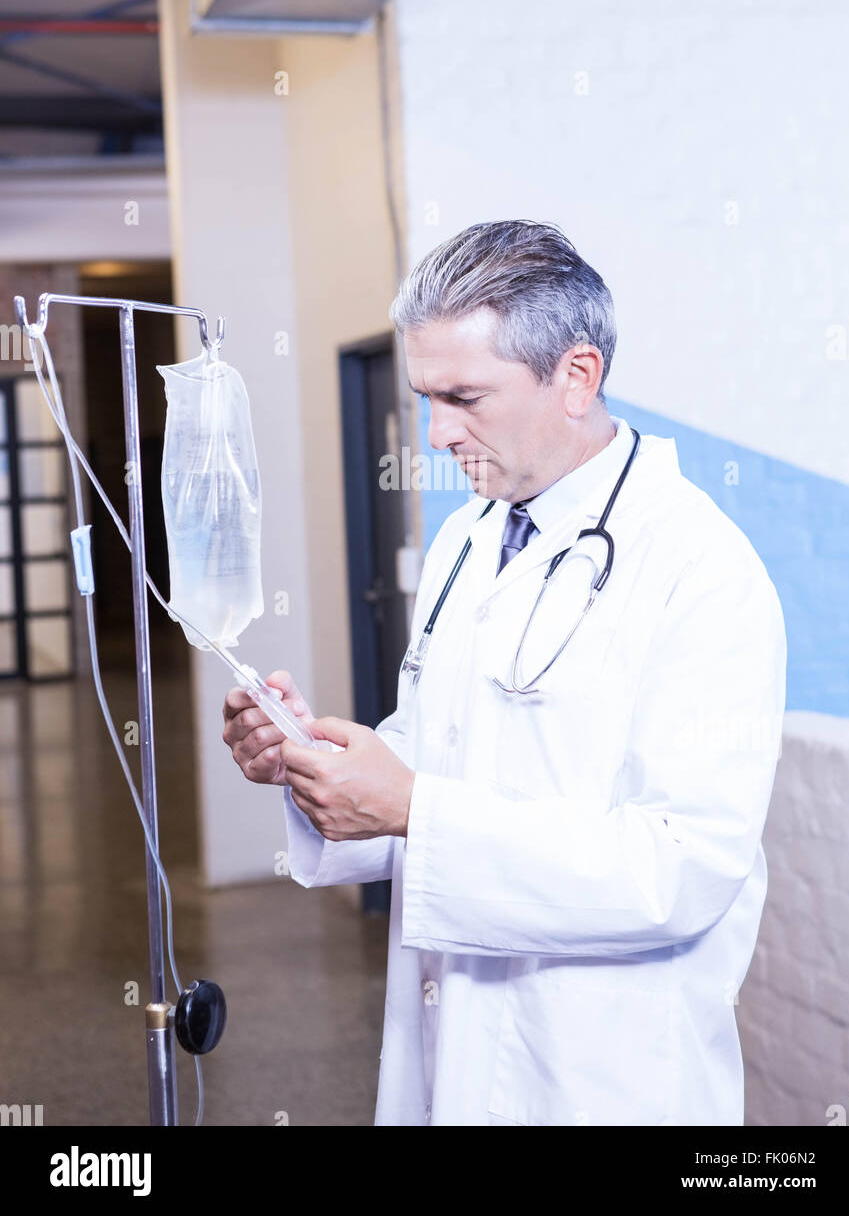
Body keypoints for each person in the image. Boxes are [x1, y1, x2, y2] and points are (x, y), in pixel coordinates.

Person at [222, 219, 786, 1127]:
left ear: (577, 376)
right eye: (426, 398)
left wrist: (414, 808)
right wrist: (317, 762)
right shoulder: (467, 536)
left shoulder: (701, 568)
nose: (437, 433)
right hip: (450, 1036)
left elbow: (680, 868)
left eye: (465, 397)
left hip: (600, 1073)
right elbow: (437, 750)